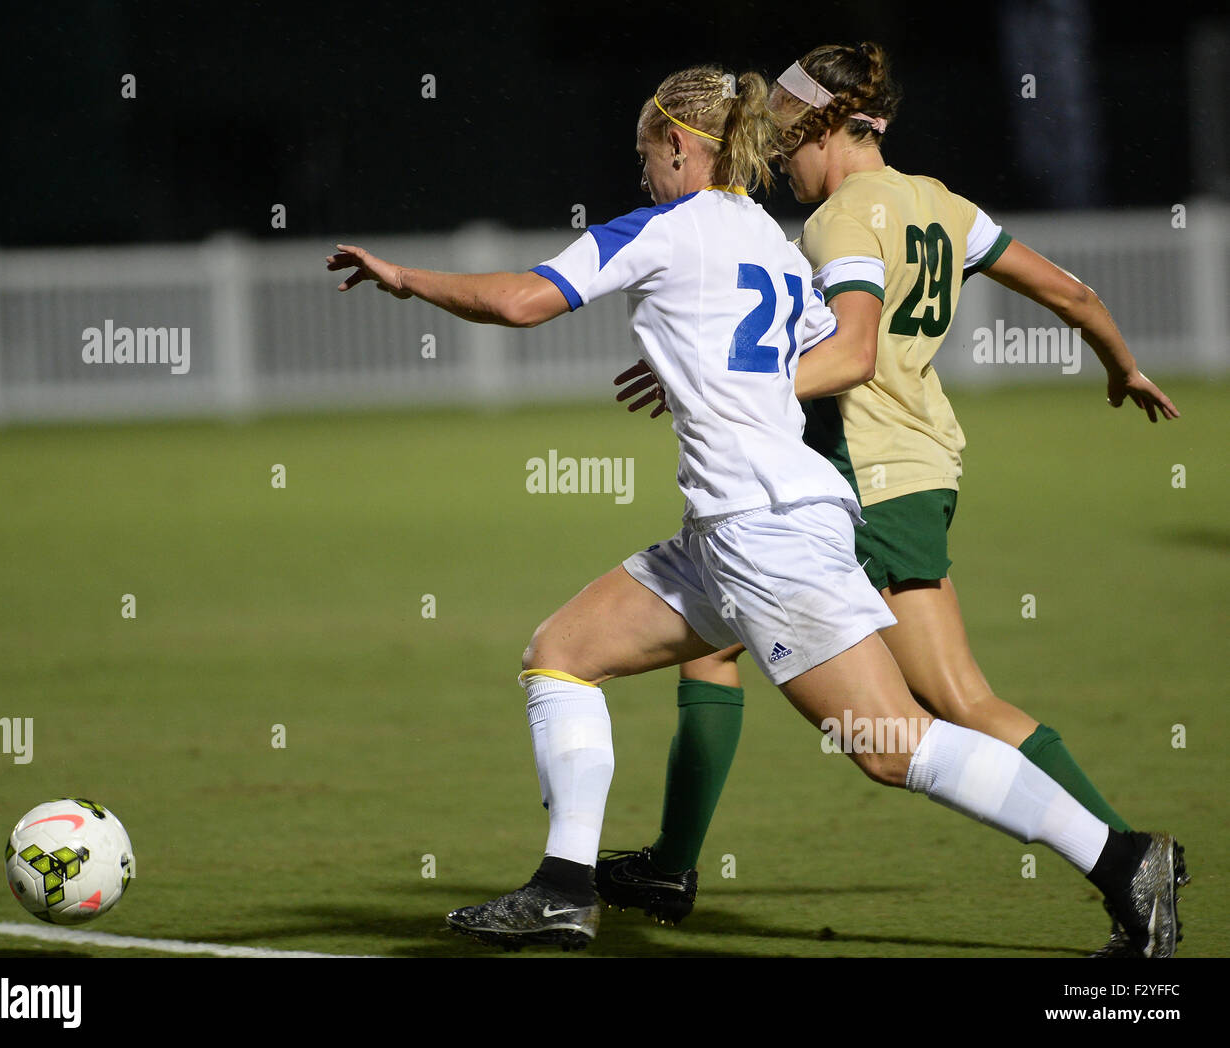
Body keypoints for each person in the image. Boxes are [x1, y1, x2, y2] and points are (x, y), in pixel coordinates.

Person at [326, 63, 1183, 956]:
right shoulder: (772, 241)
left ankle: (1122, 863)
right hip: (737, 529)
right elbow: (824, 355)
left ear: (678, 145)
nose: (642, 174)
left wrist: (405, 278)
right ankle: (563, 888)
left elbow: (521, 299)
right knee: (562, 654)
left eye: (645, 155)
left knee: (896, 746)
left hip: (765, 532)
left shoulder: (663, 225)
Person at [602, 42, 1184, 956]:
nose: (781, 162)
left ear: (824, 129)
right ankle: (671, 864)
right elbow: (1072, 292)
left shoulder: (842, 219)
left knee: (925, 703)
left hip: (864, 478)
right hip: (920, 469)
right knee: (739, 649)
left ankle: (1126, 856)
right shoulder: (939, 203)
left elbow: (849, 355)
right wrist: (1125, 365)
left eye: (787, 142)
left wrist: (713, 384)